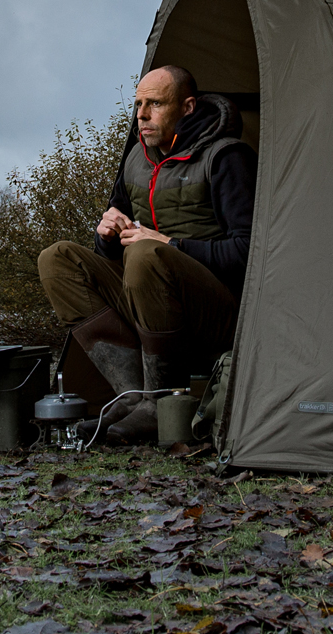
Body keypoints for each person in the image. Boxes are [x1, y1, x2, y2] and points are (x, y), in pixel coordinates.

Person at [37, 65, 256, 444]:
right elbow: (110, 251)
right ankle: (132, 397)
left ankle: (160, 405)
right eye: (139, 104)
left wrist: (170, 245)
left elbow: (249, 252)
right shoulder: (136, 159)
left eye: (155, 103)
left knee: (145, 255)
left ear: (187, 108)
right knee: (57, 260)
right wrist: (106, 234)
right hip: (151, 301)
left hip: (219, 312)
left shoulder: (226, 158)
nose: (141, 114)